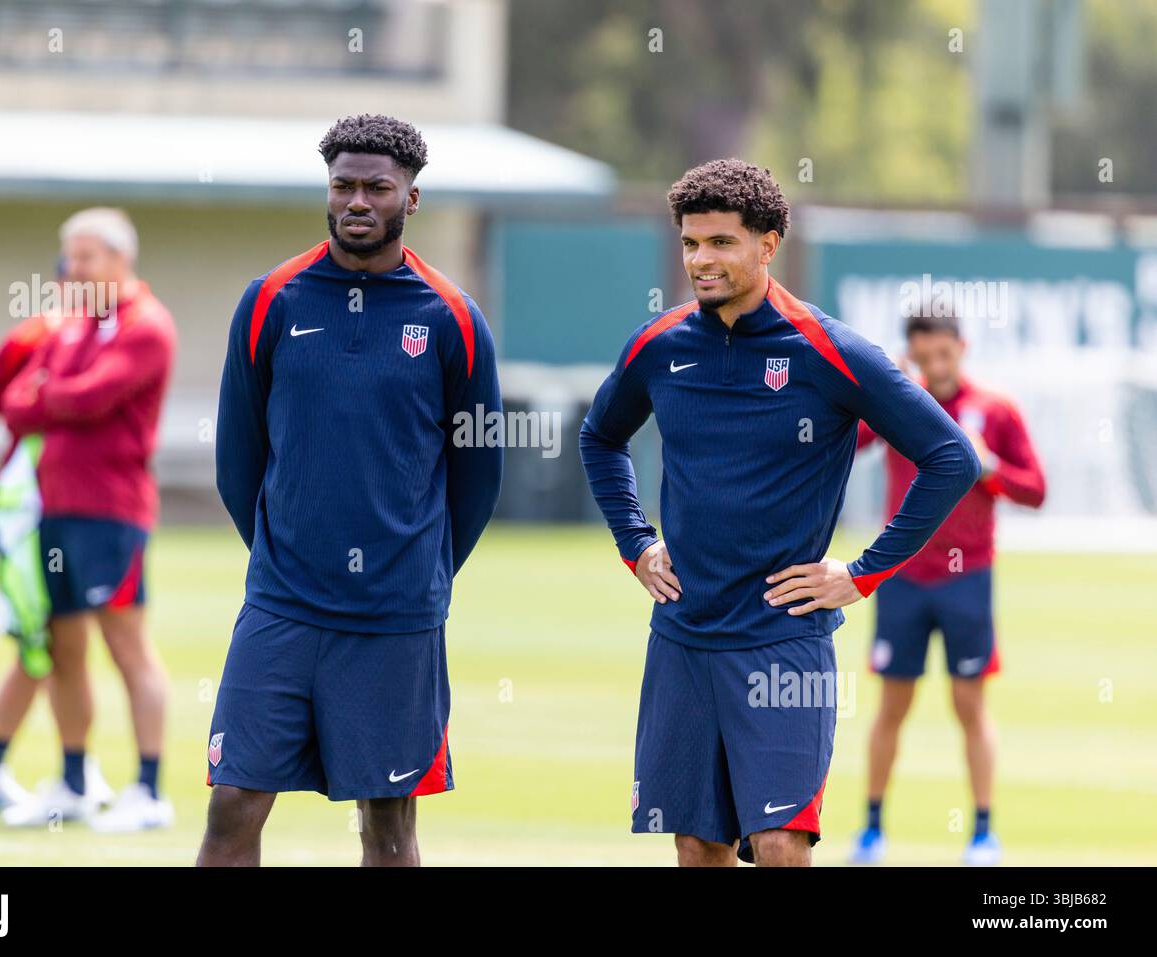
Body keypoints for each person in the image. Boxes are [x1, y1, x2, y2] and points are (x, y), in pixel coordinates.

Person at [579, 158, 981, 866]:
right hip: (683, 636)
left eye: (721, 243)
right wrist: (636, 543)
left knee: (780, 845)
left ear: (768, 245)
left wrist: (862, 573)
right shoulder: (658, 344)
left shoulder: (832, 350)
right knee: (698, 847)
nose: (701, 260)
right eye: (690, 243)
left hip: (783, 641)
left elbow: (950, 457)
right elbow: (600, 436)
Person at [197, 114, 503, 867]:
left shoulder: (452, 318)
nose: (357, 201)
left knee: (388, 822)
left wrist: (418, 569)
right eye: (343, 186)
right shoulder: (272, 300)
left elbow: (479, 477)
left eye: (377, 187)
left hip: (396, 616)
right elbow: (239, 461)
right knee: (233, 801)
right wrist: (288, 552)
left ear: (412, 197)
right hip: (282, 605)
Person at [0, 208, 176, 832]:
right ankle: (74, 781)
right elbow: (16, 405)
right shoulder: (72, 325)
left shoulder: (147, 326)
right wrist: (51, 393)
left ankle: (149, 790)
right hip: (58, 510)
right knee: (63, 648)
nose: (71, 270)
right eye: (68, 258)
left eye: (84, 258)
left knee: (128, 647)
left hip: (112, 514)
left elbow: (90, 396)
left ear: (119, 260)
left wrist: (52, 393)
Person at [849, 311, 1046, 867]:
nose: (936, 368)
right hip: (902, 576)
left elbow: (1035, 488)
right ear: (911, 354)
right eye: (924, 357)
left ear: (962, 347)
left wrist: (991, 467)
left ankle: (982, 834)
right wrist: (889, 391)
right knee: (893, 705)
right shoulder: (902, 405)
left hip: (968, 580)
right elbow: (853, 441)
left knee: (969, 704)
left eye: (944, 355)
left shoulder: (996, 410)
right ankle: (871, 831)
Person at [0, 261, 112, 813]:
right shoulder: (31, 338)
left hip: (72, 513)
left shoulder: (105, 340)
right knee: (51, 646)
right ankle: (59, 776)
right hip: (26, 515)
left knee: (61, 647)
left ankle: (56, 771)